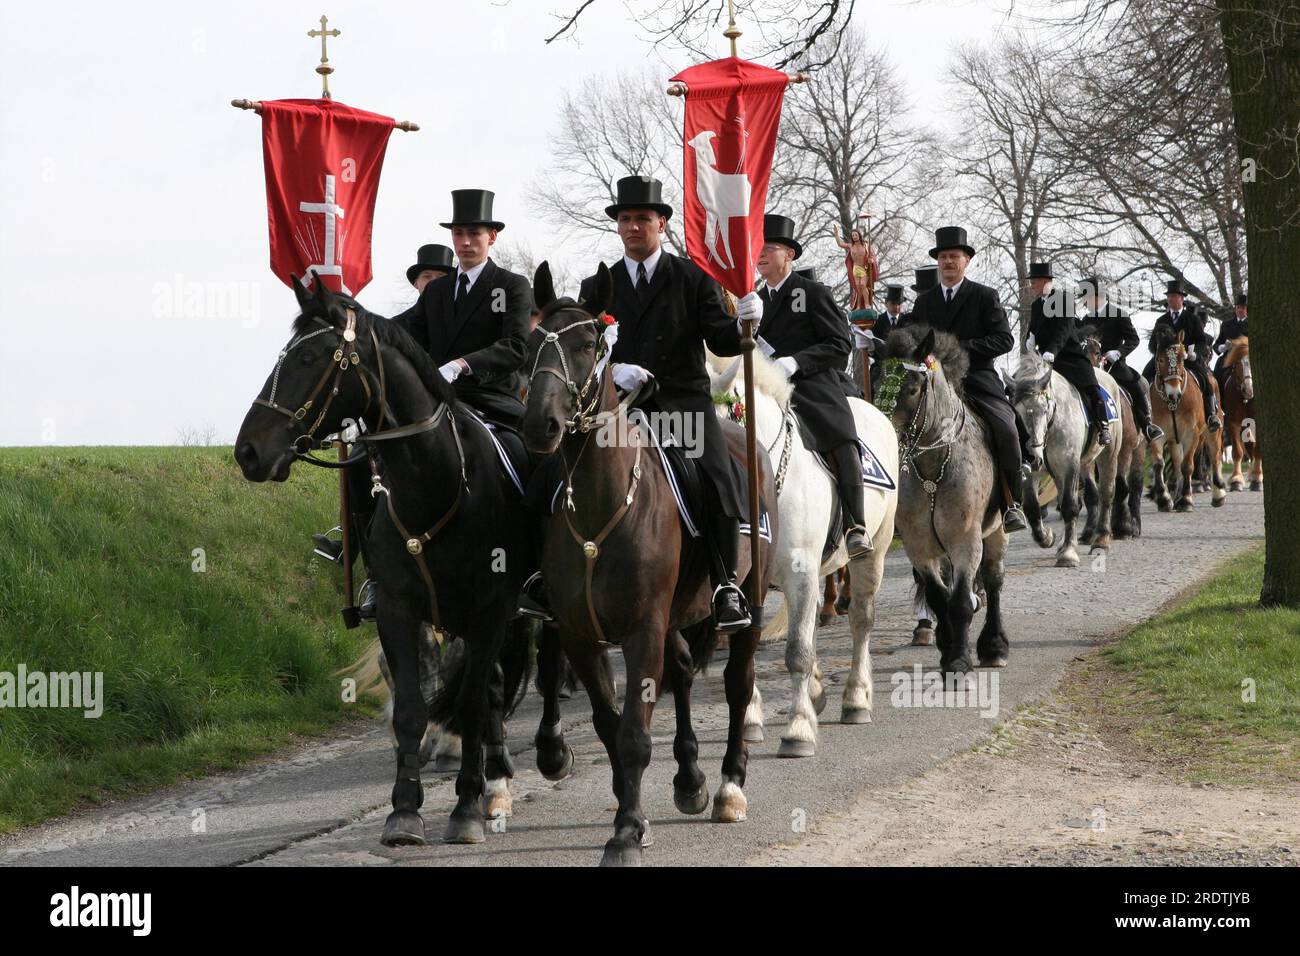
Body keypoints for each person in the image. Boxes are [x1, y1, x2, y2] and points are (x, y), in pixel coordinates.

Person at [528, 175, 755, 632]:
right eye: (626, 219)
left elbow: (723, 340)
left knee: (718, 476)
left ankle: (725, 584)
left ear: (661, 224)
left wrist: (749, 323)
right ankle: (540, 577)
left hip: (682, 408)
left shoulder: (693, 278)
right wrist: (614, 372)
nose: (634, 227)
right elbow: (583, 353)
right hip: (619, 411)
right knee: (549, 477)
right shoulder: (599, 284)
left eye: (643, 219)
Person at [756, 214, 871, 557]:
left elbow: (839, 343)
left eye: (768, 248)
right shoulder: (755, 300)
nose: (760, 254)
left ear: (789, 255)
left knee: (840, 437)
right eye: (756, 248)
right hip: (764, 385)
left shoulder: (812, 292)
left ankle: (855, 524)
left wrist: (796, 362)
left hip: (811, 384)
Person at [908, 226, 1027, 532]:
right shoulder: (924, 302)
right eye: (943, 257)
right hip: (933, 384)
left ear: (966, 261)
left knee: (1007, 429)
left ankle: (1011, 501)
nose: (948, 262)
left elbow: (1004, 340)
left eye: (954, 257)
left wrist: (961, 349)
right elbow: (912, 341)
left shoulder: (985, 296)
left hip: (977, 378)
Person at [1026, 262, 1111, 444]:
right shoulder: (1035, 306)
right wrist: (1029, 338)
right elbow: (1033, 328)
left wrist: (1052, 351)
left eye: (1034, 282)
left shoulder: (1064, 299)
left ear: (1045, 281)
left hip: (1069, 356)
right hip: (1044, 360)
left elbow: (1063, 330)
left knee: (1091, 386)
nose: (1031, 286)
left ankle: (1103, 425)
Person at [1077, 276, 1164, 442]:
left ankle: (1146, 424)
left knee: (1135, 384)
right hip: (1091, 366)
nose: (1084, 301)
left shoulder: (1118, 314)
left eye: (1085, 297)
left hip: (1114, 365)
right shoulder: (1085, 320)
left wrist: (1118, 352)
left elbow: (1134, 339)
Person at [1144, 278, 1221, 431]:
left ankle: (1211, 414)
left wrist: (1195, 354)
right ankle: (1145, 417)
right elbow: (1151, 345)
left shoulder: (1192, 319)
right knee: (1144, 377)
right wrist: (1160, 351)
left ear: (1182, 299)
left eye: (1174, 296)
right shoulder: (1161, 320)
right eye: (1169, 296)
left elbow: (1201, 341)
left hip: (1187, 359)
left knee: (1205, 380)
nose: (1171, 299)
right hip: (1166, 360)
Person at [832, 223, 876, 312]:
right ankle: (859, 305)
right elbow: (840, 243)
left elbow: (872, 255)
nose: (854, 236)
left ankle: (867, 304)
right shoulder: (851, 246)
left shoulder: (866, 245)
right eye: (853, 235)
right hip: (855, 268)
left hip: (865, 268)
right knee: (857, 287)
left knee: (863, 285)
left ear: (859, 235)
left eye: (856, 235)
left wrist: (872, 260)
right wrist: (836, 234)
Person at [1213, 292, 1249, 397]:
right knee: (1218, 370)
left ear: (1247, 309)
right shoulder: (1226, 324)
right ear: (1235, 309)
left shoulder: (1252, 324)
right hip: (1228, 358)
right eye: (1238, 307)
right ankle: (1217, 401)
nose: (1240, 310)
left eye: (1243, 307)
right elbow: (1217, 343)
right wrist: (1223, 347)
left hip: (1247, 358)